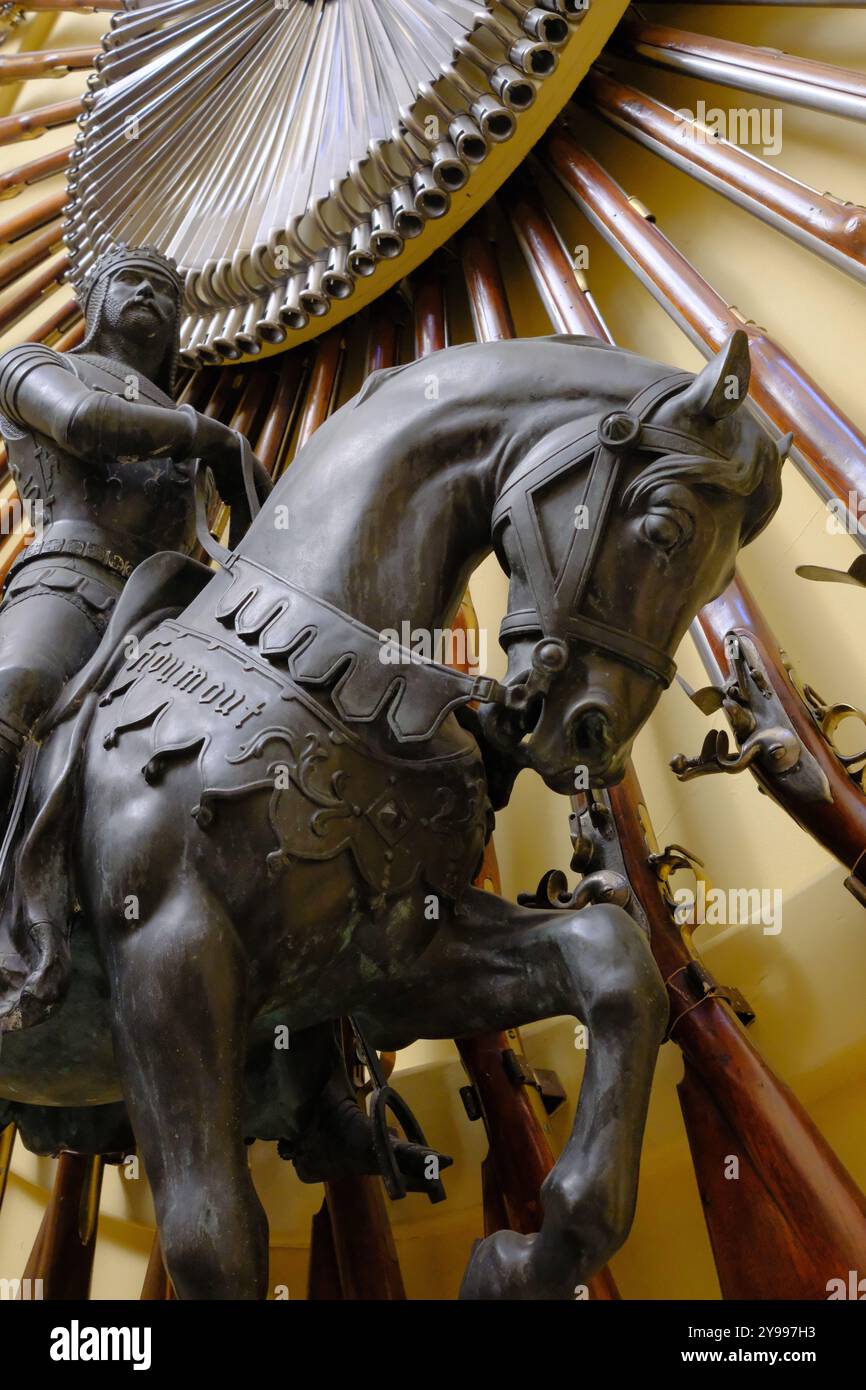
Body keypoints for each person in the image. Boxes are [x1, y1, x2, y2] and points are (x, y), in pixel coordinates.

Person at [0, 242, 258, 814]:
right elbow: (82, 421)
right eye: (130, 280)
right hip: (69, 582)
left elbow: (248, 556)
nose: (147, 292)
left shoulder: (200, 444)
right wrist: (211, 438)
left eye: (163, 288)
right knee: (16, 686)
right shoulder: (36, 364)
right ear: (95, 302)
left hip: (176, 616)